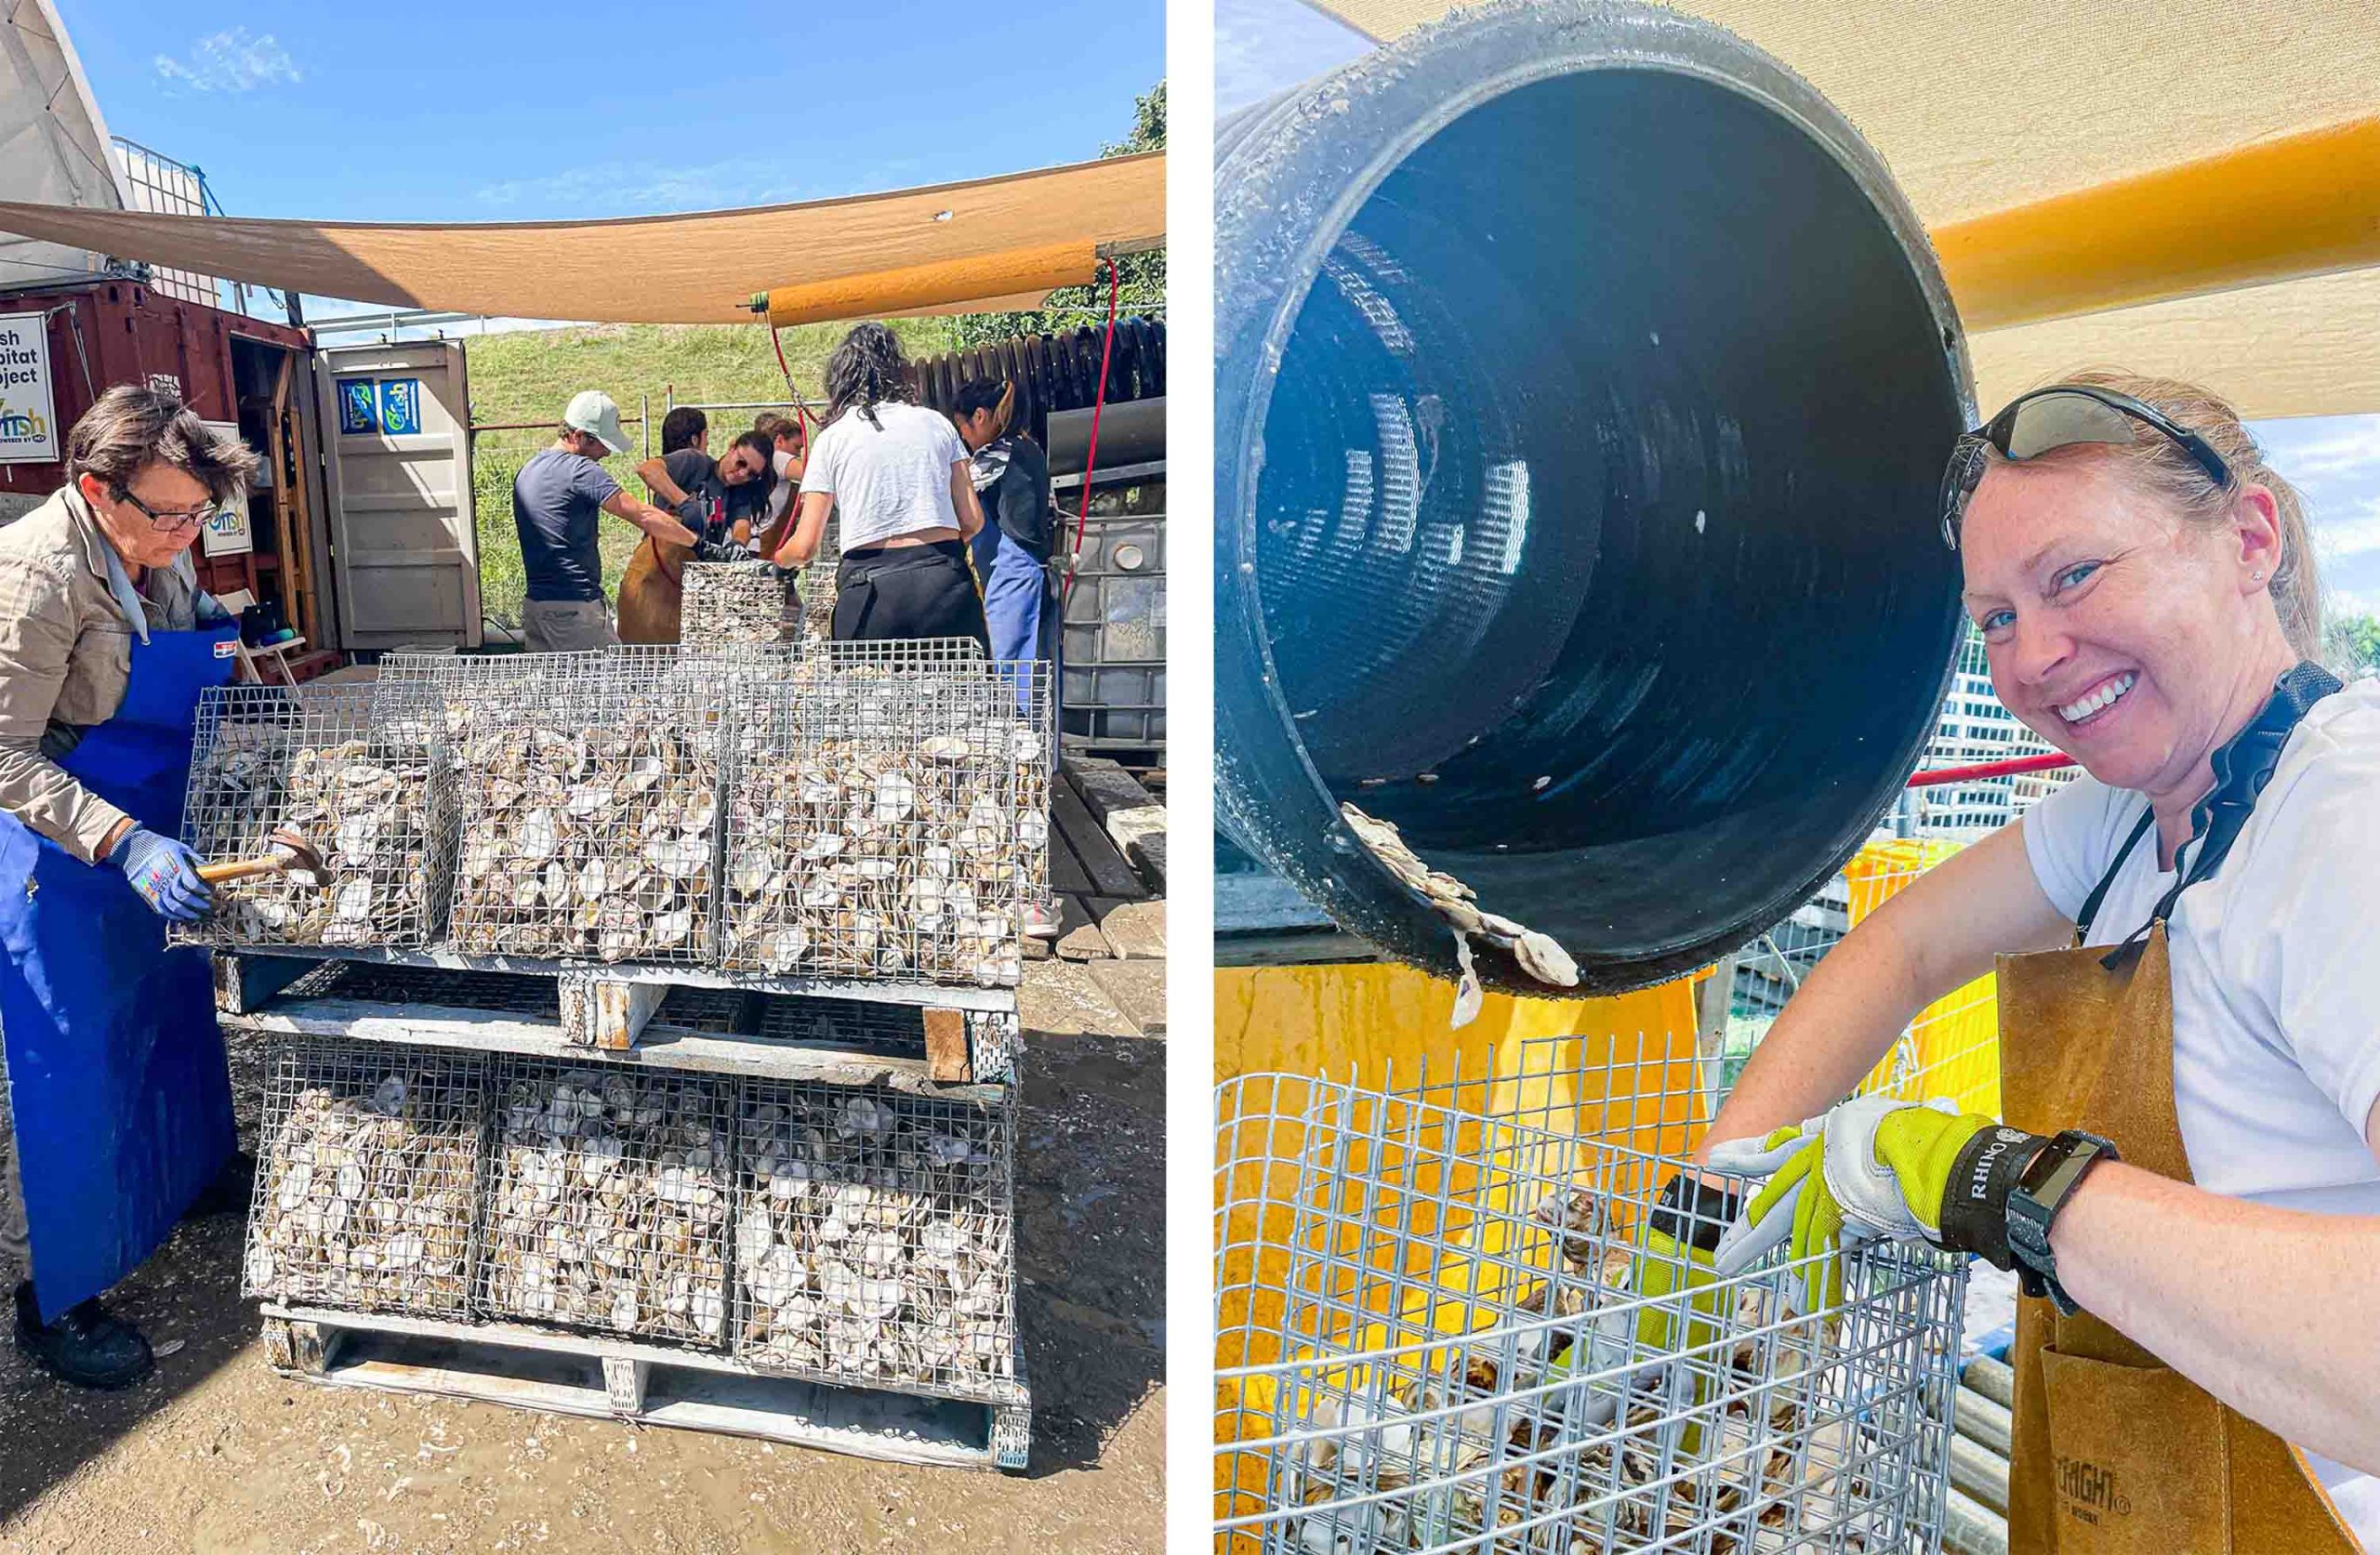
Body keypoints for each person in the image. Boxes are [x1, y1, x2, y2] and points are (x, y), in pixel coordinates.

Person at [1691, 373, 2380, 1548]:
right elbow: (1899, 947)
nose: (2034, 658)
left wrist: (2004, 1183)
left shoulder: (2343, 818)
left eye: (2074, 574)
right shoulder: (2125, 817)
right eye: (1995, 618)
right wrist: (1702, 1215)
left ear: (2249, 539)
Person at [0, 385, 257, 1388]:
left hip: (155, 825)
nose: (188, 534)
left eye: (201, 515)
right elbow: (3, 754)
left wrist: (237, 665)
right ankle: (53, 1295)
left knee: (171, 1016)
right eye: (171, 515)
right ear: (98, 488)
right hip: (60, 855)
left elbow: (188, 646)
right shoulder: (37, 574)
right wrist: (123, 840)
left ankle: (189, 1178)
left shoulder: (162, 543)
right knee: (71, 1062)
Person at [773, 323, 989, 650]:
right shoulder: (937, 424)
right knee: (957, 682)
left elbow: (804, 548)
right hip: (944, 584)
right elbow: (972, 520)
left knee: (868, 684)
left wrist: (779, 560)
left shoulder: (832, 438)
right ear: (899, 372)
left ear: (841, 377)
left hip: (869, 593)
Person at [950, 377, 1062, 938]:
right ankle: (1034, 772)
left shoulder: (999, 455)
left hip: (1014, 574)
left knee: (1015, 682)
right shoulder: (1025, 448)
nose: (963, 438)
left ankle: (1021, 784)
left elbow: (960, 502)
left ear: (980, 417)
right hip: (1016, 573)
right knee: (1030, 676)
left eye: (962, 427)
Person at [510, 389, 694, 652]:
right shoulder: (580, 470)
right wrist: (695, 541)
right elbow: (640, 514)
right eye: (602, 444)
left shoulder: (528, 470)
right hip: (575, 610)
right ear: (578, 436)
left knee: (552, 680)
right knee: (608, 678)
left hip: (536, 607)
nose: (606, 453)